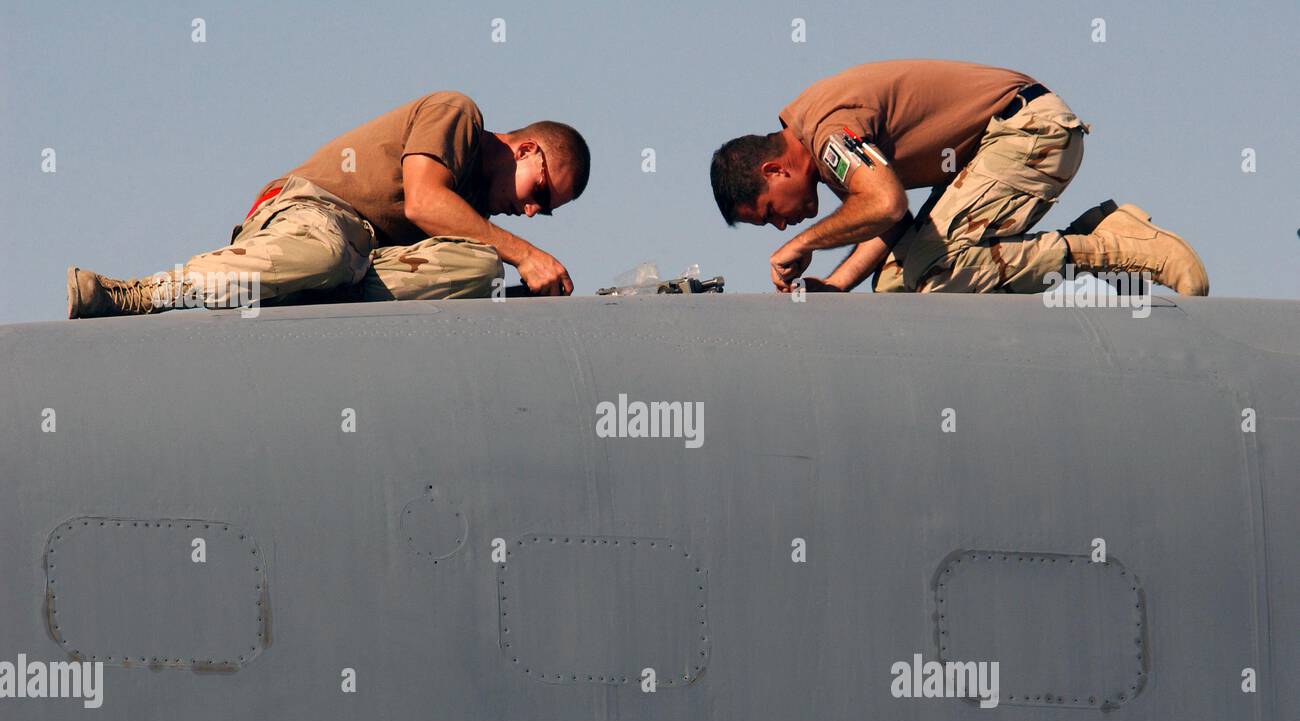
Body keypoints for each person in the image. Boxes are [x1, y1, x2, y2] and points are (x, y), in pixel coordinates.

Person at [68, 91, 590, 317]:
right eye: (538, 194)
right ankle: (143, 293)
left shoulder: (475, 216)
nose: (529, 213)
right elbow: (425, 202)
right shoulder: (460, 117)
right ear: (526, 150)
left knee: (480, 268)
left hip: (360, 262)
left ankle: (311, 301)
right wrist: (524, 253)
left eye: (542, 212)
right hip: (314, 214)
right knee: (331, 253)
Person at [709, 59, 1208, 295]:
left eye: (772, 213)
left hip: (1029, 131)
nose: (782, 226)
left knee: (932, 274)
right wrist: (838, 287)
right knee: (899, 290)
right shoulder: (822, 145)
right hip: (1000, 146)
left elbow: (885, 205)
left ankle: (1121, 248)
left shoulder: (826, 135)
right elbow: (890, 226)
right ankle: (1097, 234)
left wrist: (807, 244)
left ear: (774, 169)